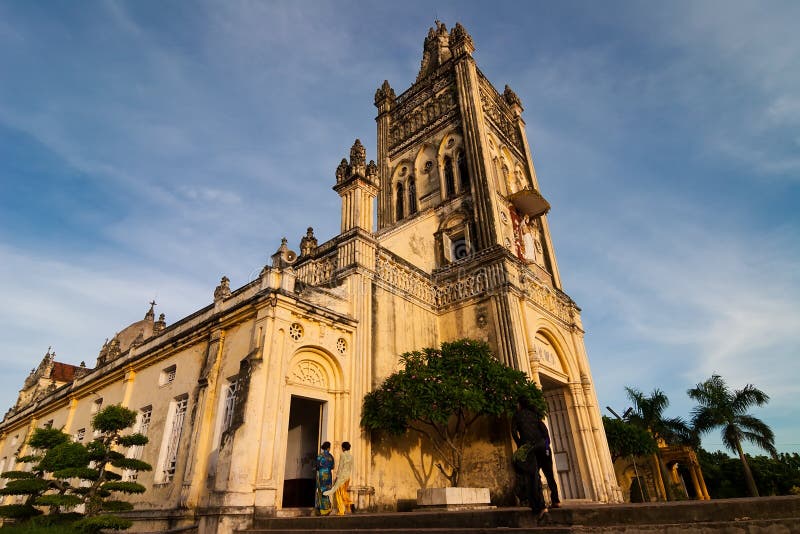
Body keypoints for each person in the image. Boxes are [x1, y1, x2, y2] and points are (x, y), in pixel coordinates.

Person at [511, 396, 548, 519]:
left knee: (531, 476)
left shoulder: (517, 415)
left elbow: (513, 432)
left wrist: (520, 444)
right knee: (536, 475)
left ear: (520, 404)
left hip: (528, 447)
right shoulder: (535, 413)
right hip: (541, 446)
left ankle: (540, 506)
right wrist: (545, 445)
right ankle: (539, 505)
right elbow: (544, 431)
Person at [324, 441, 354, 515]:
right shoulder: (351, 456)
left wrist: (337, 477)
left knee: (338, 493)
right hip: (348, 477)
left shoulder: (342, 455)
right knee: (343, 492)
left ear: (343, 448)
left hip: (342, 477)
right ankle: (350, 503)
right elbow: (351, 467)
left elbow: (340, 467)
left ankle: (341, 511)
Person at [314, 441, 335, 516]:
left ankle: (321, 509)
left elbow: (317, 466)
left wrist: (320, 468)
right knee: (326, 492)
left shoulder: (320, 456)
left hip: (321, 475)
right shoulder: (331, 456)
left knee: (321, 491)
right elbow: (332, 467)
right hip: (328, 475)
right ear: (328, 448)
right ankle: (326, 508)